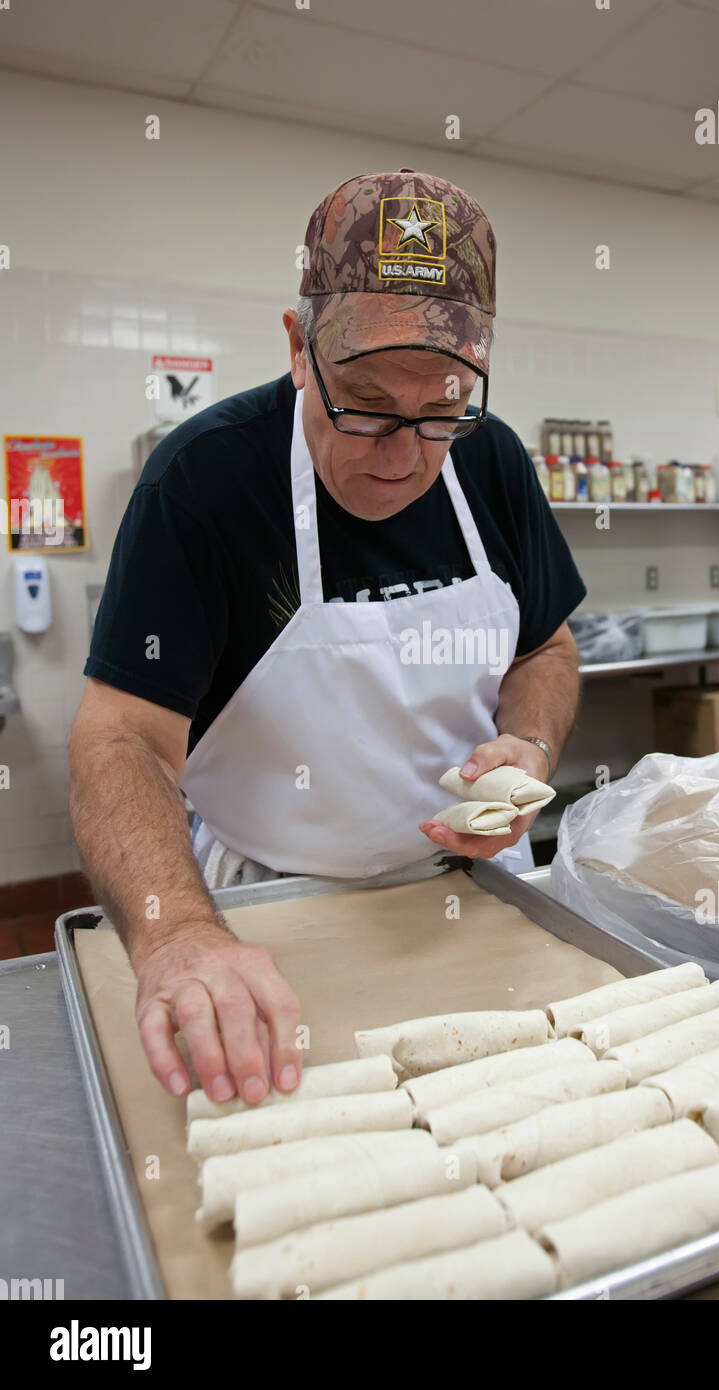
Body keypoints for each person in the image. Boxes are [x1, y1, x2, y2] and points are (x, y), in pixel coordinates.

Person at [69, 168, 586, 1102]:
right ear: (298, 348)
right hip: (269, 913)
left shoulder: (493, 460)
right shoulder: (204, 485)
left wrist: (531, 745)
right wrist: (180, 934)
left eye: (440, 407)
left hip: (473, 894)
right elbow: (121, 739)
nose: (402, 454)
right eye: (366, 402)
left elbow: (544, 650)